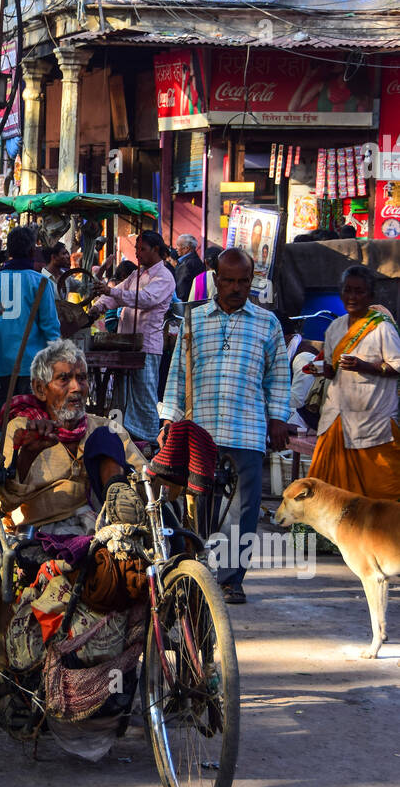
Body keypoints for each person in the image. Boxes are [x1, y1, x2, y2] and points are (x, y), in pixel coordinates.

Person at [158, 247, 291, 605]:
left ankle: (232, 579)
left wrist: (278, 417)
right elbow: (177, 373)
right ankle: (198, 570)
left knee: (244, 509)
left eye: (242, 281)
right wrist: (170, 419)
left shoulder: (268, 324)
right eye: (228, 280)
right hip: (201, 427)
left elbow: (278, 376)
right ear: (216, 280)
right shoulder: (194, 319)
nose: (235, 287)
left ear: (252, 282)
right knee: (198, 503)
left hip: (247, 428)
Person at [0, 339, 142, 539]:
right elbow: (4, 503)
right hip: (41, 531)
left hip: (104, 528)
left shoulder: (105, 428)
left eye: (81, 378)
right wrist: (28, 455)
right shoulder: (22, 429)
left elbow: (145, 481)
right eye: (64, 379)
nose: (76, 387)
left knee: (106, 437)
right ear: (40, 389)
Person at [307, 265, 400, 498]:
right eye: (348, 290)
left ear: (370, 295)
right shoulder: (335, 328)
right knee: (328, 495)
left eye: (359, 291)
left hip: (375, 423)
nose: (352, 297)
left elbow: (398, 365)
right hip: (337, 420)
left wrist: (365, 366)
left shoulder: (383, 328)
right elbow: (332, 369)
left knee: (382, 495)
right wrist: (321, 370)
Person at [95, 230, 176, 450]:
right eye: (136, 249)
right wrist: (97, 308)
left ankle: (149, 443)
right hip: (127, 344)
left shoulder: (165, 277)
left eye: (142, 249)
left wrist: (111, 293)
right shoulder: (136, 275)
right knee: (122, 396)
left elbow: (145, 299)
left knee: (144, 396)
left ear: (156, 250)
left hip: (147, 347)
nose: (138, 254)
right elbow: (116, 294)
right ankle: (121, 440)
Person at [0, 226, 61, 401]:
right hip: (32, 365)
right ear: (31, 252)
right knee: (31, 419)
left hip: (0, 365)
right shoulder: (41, 282)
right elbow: (50, 327)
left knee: (4, 417)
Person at [173, 233, 205, 302]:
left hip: (185, 303)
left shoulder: (187, 264)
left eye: (178, 246)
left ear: (187, 248)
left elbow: (181, 287)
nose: (176, 249)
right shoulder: (195, 260)